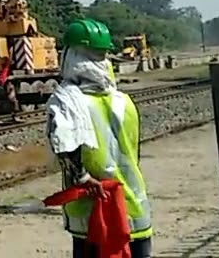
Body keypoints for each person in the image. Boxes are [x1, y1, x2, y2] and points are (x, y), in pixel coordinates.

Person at [45, 18, 152, 258]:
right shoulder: (124, 102)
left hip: (94, 217)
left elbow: (64, 148)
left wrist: (83, 177)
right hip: (134, 208)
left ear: (69, 56)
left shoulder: (66, 103)